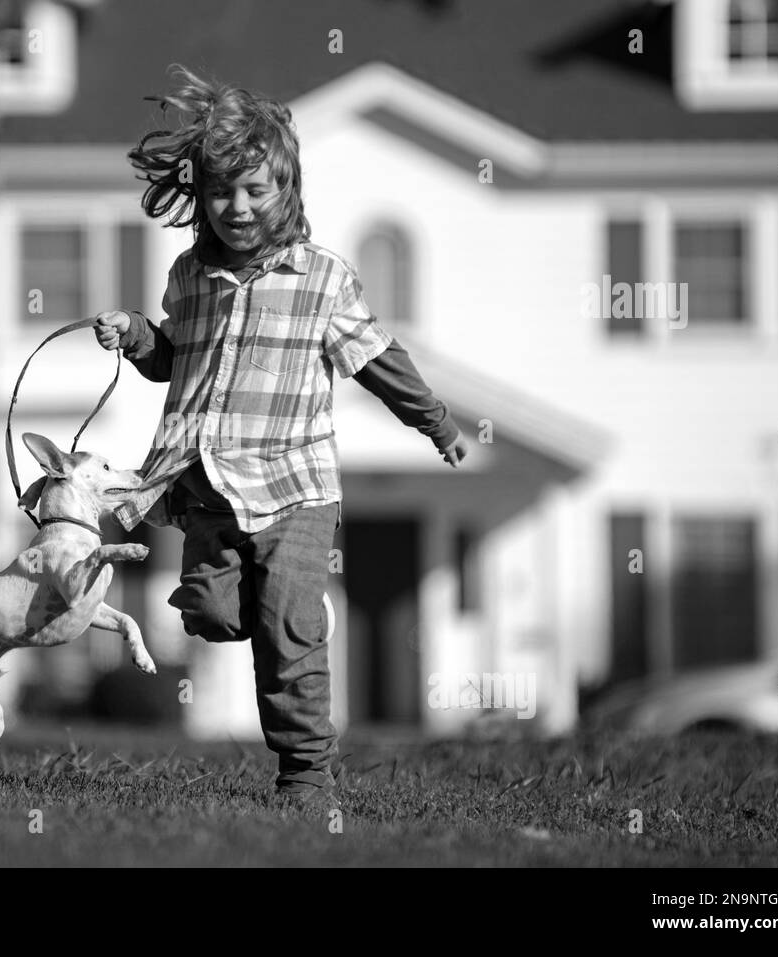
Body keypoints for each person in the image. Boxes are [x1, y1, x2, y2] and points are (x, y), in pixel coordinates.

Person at [94, 65, 467, 805]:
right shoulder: (187, 276)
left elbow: (375, 358)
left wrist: (434, 420)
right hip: (206, 486)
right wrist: (137, 336)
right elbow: (175, 358)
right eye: (220, 192)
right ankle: (264, 617)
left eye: (254, 190)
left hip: (295, 485)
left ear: (285, 188)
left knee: (287, 622)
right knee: (211, 613)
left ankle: (305, 775)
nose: (236, 207)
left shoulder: (322, 279)